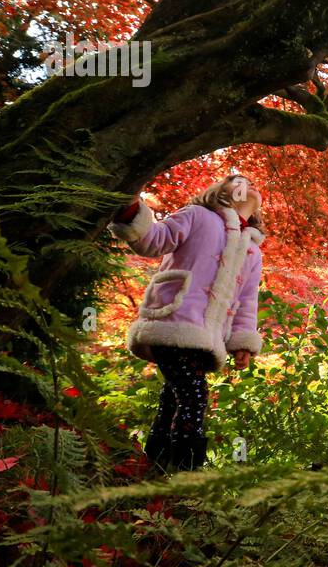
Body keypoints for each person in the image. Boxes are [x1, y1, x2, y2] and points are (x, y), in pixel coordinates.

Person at [109, 174, 265, 470]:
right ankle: (185, 469)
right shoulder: (198, 216)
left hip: (208, 337)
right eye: (238, 181)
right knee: (194, 394)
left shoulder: (252, 251)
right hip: (172, 321)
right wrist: (130, 208)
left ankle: (154, 463)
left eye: (254, 185)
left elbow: (247, 301)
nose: (249, 185)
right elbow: (152, 240)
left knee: (174, 397)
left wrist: (242, 342)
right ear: (219, 192)